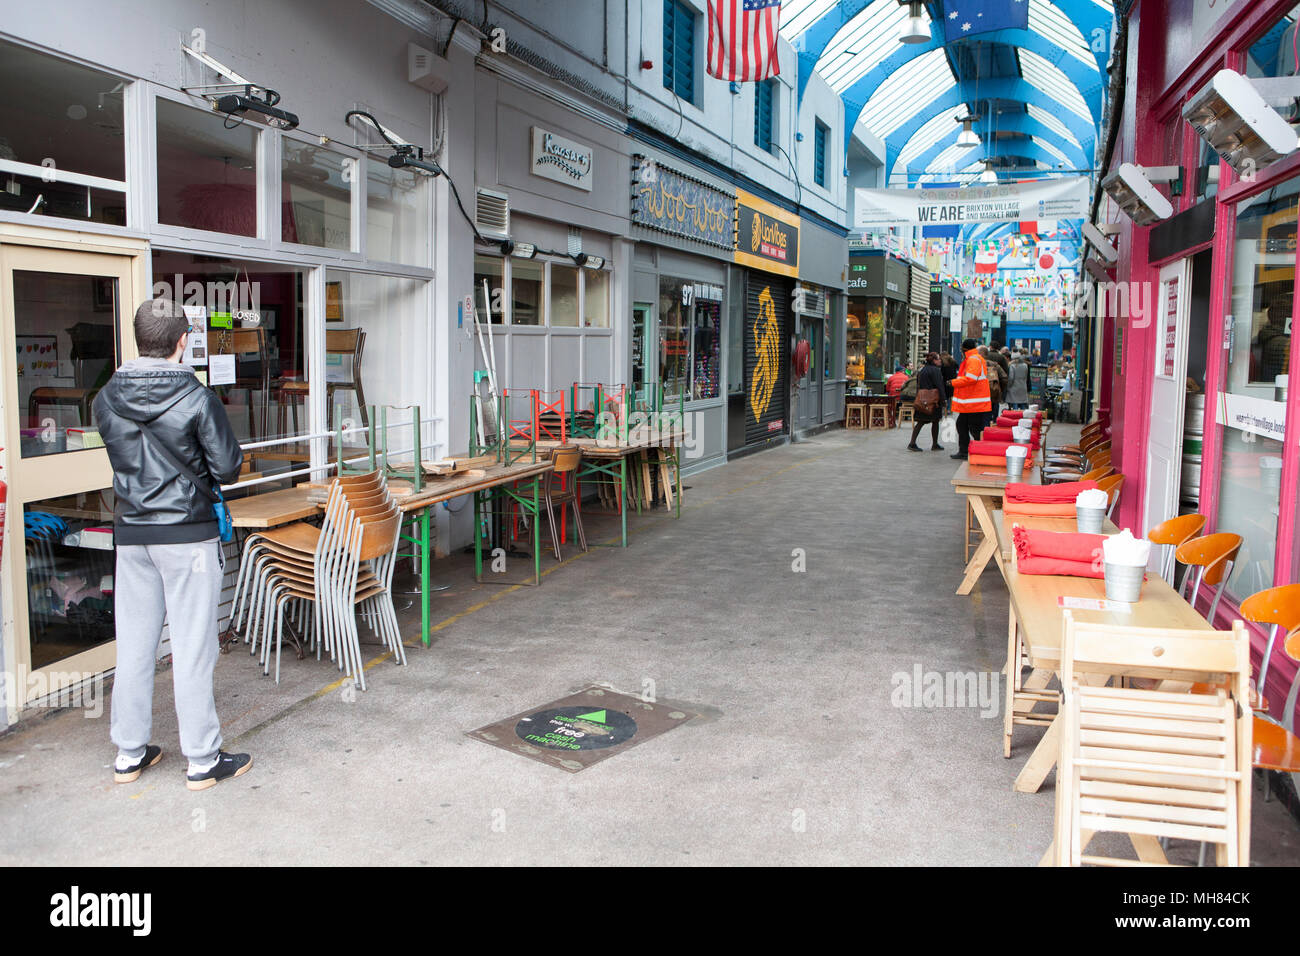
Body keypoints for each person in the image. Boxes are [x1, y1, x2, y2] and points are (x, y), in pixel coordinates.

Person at [94, 299, 251, 792]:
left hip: (133, 535)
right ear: (183, 342)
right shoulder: (197, 398)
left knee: (136, 645)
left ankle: (129, 752)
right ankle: (202, 760)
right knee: (191, 647)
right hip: (187, 537)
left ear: (139, 340)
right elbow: (227, 468)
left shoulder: (105, 399)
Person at [950, 337, 991, 460]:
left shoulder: (972, 360)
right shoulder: (975, 358)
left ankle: (976, 451)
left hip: (973, 402)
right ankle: (968, 451)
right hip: (973, 402)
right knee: (965, 425)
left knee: (972, 428)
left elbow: (970, 379)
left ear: (964, 349)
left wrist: (953, 382)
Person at [906, 352, 946, 452]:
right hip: (933, 399)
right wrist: (943, 399)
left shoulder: (922, 370)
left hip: (922, 399)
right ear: (934, 360)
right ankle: (934, 443)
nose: (940, 360)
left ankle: (912, 442)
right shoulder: (936, 371)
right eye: (938, 359)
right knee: (935, 421)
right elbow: (939, 385)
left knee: (921, 421)